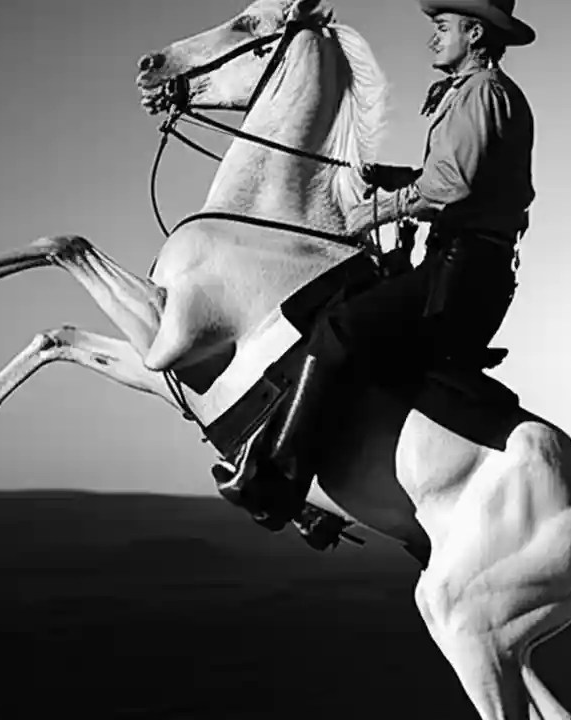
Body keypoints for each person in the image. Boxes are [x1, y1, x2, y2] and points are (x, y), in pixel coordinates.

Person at [215, 0, 538, 530]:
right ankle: (317, 487)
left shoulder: (483, 93)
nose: (433, 38)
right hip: (464, 263)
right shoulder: (481, 93)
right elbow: (456, 176)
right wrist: (389, 177)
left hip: (461, 271)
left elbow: (450, 188)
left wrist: (375, 211)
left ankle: (280, 485)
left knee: (341, 329)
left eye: (443, 27)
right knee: (327, 304)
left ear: (475, 33)